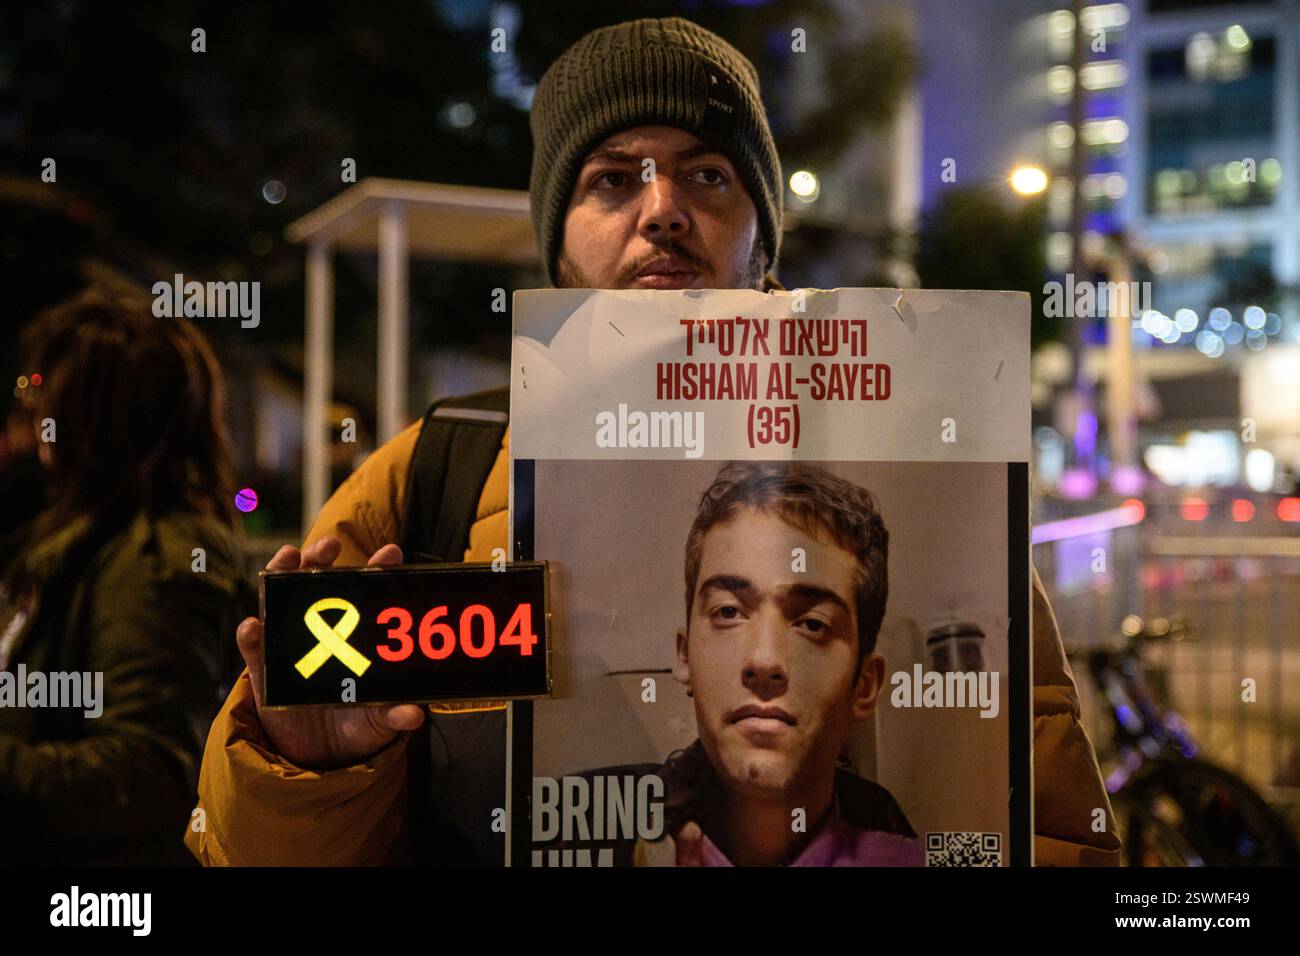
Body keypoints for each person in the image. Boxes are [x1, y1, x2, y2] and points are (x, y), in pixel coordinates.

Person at [187, 16, 1121, 866]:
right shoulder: (435, 470)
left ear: (764, 243)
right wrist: (301, 768)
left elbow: (1065, 842)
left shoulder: (947, 489)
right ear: (559, 248)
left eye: (708, 173)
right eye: (611, 178)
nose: (662, 207)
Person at [0, 286, 245, 864]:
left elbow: (146, 775)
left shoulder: (156, 561)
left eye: (38, 389)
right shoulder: (97, 538)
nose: (30, 414)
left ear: (93, 414)